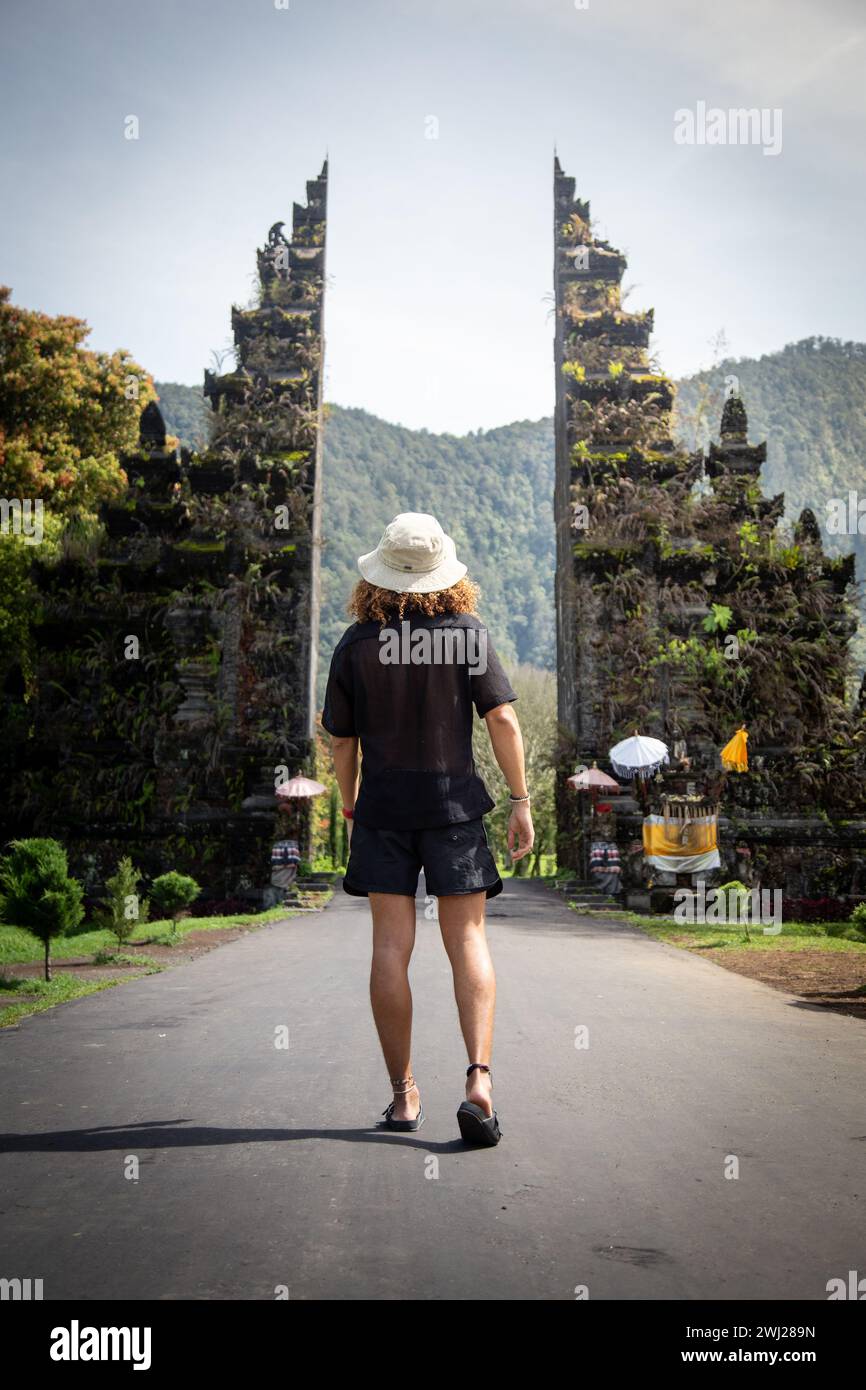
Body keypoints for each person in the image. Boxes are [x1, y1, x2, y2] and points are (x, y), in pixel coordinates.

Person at [321, 513, 534, 1147]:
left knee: (391, 948)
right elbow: (502, 721)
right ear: (445, 574)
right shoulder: (468, 636)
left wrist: (352, 802)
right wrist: (521, 799)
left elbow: (340, 742)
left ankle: (404, 1097)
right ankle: (478, 1082)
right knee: (467, 940)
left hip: (385, 811)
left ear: (379, 578)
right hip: (454, 809)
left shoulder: (357, 643)